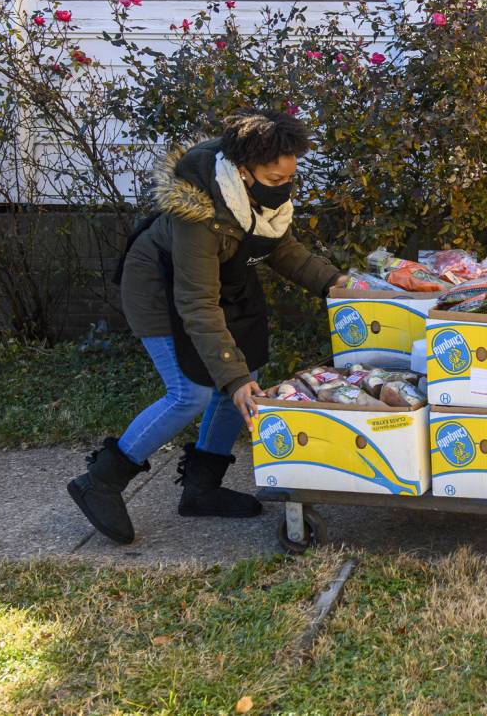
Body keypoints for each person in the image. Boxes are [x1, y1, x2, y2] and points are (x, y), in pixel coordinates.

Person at [68, 109, 346, 545]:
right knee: (191, 391)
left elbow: (284, 250)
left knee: (245, 376)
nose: (284, 188)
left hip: (223, 283)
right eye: (275, 180)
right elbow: (195, 303)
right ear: (242, 171)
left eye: (289, 178)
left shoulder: (260, 199)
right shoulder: (197, 213)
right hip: (160, 290)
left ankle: (202, 487)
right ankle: (101, 480)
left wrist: (337, 283)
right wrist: (229, 375)